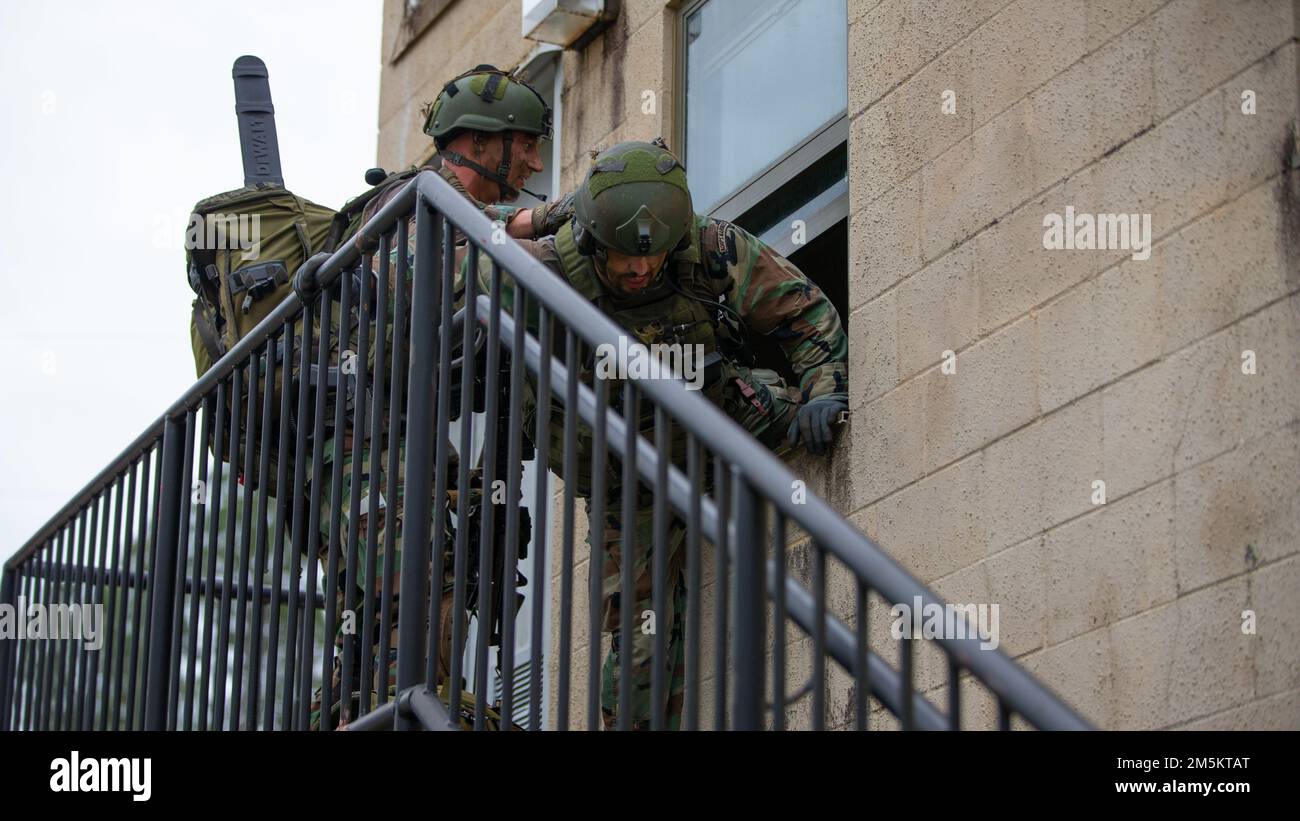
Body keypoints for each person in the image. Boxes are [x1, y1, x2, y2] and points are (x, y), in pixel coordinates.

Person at [469, 139, 849, 729]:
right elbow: (436, 238)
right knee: (640, 641)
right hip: (626, 481)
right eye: (624, 259)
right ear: (594, 241)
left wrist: (824, 390)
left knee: (798, 404)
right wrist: (533, 214)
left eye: (653, 258)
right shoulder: (540, 268)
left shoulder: (706, 246)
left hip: (715, 417)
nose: (641, 270)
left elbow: (803, 312)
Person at [307, 65, 572, 729]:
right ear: (481, 144)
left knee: (380, 626)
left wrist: (477, 486)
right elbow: (475, 279)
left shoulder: (457, 210)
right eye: (526, 142)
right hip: (349, 443)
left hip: (381, 441)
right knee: (427, 594)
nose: (537, 157)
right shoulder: (406, 208)